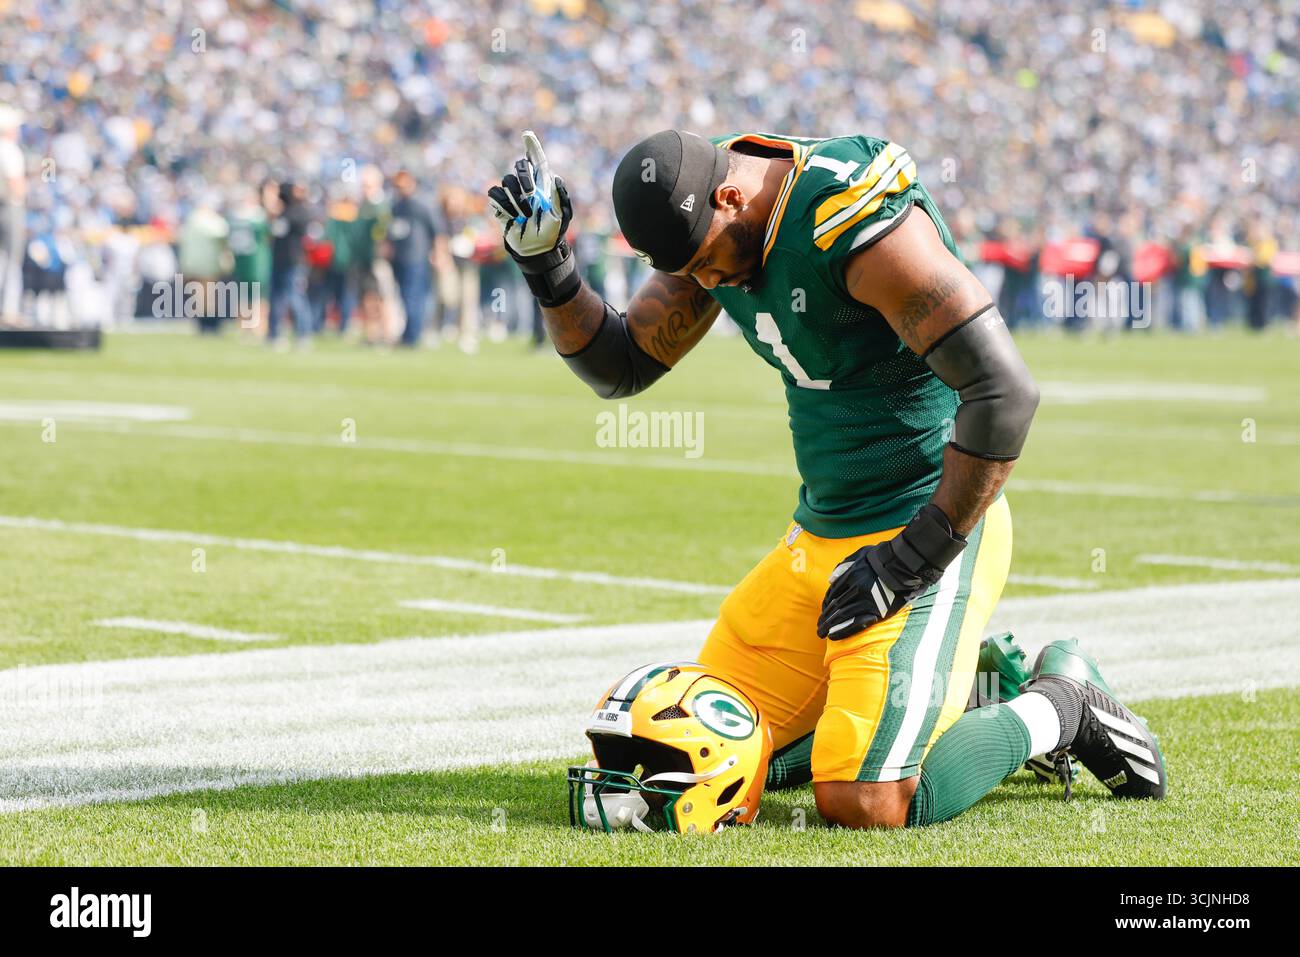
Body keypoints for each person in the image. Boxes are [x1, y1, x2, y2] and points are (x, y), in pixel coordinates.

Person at [489, 129, 1167, 830]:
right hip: (820, 538)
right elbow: (623, 362)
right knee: (713, 749)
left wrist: (912, 558)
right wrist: (549, 266)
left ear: (730, 196)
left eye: (709, 264)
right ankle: (963, 691)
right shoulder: (718, 221)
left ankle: (1061, 701)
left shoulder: (847, 218)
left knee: (866, 800)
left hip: (927, 524)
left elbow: (1004, 393)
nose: (709, 284)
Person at [387, 170, 446, 347]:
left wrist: (439, 254)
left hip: (418, 257)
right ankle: (409, 334)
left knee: (415, 297)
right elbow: (392, 230)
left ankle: (412, 336)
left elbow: (438, 232)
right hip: (399, 257)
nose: (401, 189)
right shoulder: (396, 206)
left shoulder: (424, 204)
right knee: (405, 297)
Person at [267, 180, 314, 346]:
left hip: (293, 262)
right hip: (278, 261)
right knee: (276, 299)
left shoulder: (298, 212)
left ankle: (303, 333)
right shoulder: (281, 213)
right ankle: (273, 334)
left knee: (295, 297)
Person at [0, 105, 26, 320]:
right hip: (8, 208)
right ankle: (8, 310)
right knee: (11, 259)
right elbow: (15, 185)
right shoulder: (9, 149)